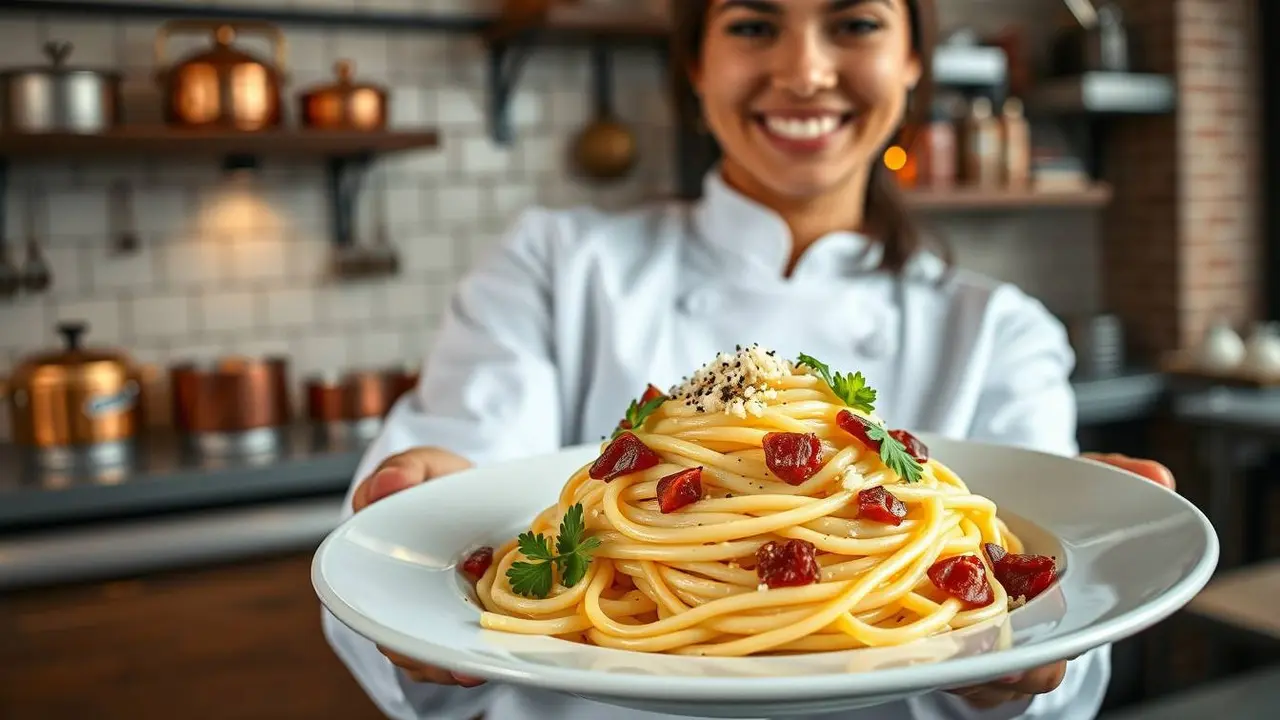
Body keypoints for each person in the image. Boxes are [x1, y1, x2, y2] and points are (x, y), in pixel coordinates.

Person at [322, 0, 1176, 718]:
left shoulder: (1001, 328)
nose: (805, 71)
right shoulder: (552, 266)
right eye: (754, 26)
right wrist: (426, 537)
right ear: (695, 65)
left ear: (914, 57)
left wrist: (1025, 666)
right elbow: (425, 569)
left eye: (855, 23)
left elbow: (1058, 665)